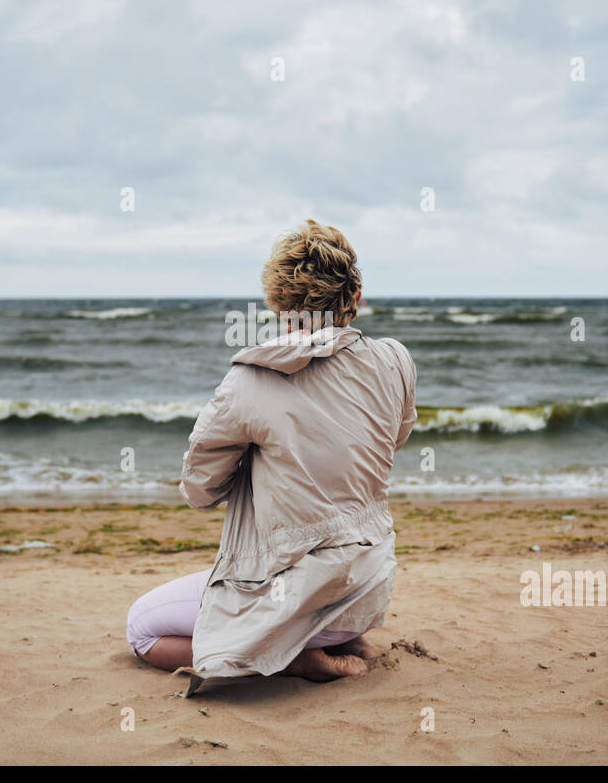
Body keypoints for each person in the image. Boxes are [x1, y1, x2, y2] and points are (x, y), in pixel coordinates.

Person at [126, 218, 417, 683]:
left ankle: (295, 659)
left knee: (141, 628)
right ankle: (345, 639)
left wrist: (249, 463)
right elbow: (393, 438)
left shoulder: (252, 380)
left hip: (299, 595)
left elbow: (199, 489)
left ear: (279, 306)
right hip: (367, 586)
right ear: (356, 299)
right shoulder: (395, 361)